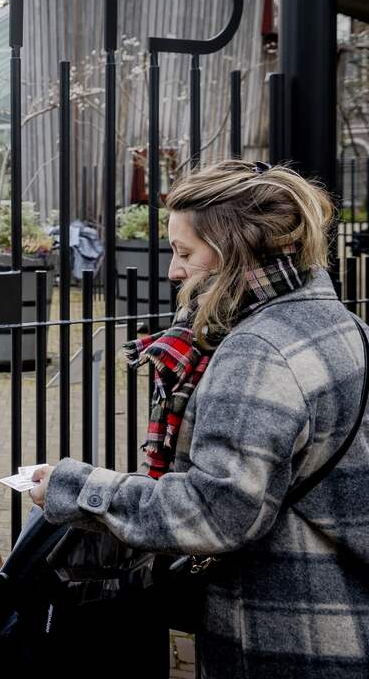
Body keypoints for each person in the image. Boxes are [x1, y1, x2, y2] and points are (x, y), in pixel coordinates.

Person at [29, 160, 369, 678]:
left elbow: (216, 512)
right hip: (346, 613)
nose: (172, 270)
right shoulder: (346, 325)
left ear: (235, 249)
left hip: (280, 636)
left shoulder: (256, 351)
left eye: (184, 252)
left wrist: (78, 486)